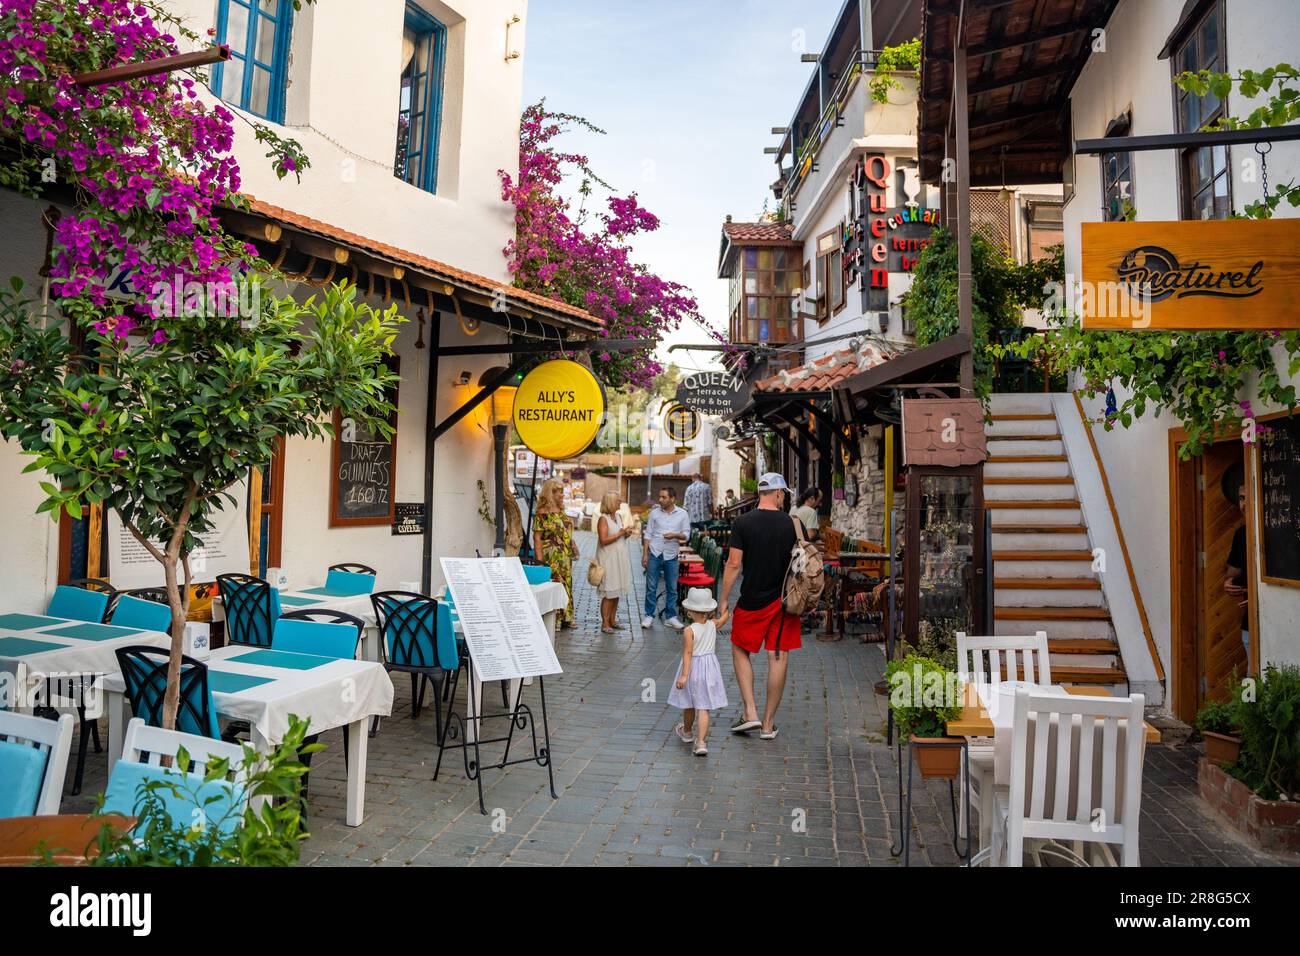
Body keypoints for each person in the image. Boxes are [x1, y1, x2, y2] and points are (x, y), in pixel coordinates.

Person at [718, 472, 805, 740]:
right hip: (784, 602)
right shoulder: (794, 523)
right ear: (779, 494)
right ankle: (767, 725)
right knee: (777, 657)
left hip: (751, 600)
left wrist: (723, 599)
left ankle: (750, 712)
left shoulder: (743, 522)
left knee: (739, 648)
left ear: (760, 493)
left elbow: (733, 565)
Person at [669, 587, 731, 756]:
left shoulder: (689, 630)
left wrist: (684, 675)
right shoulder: (713, 625)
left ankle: (687, 732)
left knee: (689, 703)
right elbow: (724, 618)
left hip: (693, 668)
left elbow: (688, 653)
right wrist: (726, 610)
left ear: (690, 611)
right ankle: (701, 742)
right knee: (704, 707)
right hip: (710, 667)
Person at [642, 486, 692, 630]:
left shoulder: (682, 514)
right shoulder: (654, 513)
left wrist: (675, 535)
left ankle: (671, 617)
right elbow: (648, 534)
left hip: (672, 555)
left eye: (664, 497)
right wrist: (645, 554)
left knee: (672, 587)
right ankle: (649, 615)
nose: (660, 499)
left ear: (672, 499)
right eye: (660, 496)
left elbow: (687, 534)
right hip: (655, 552)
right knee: (651, 586)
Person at [533, 478, 578, 629]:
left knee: (566, 584)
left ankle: (567, 616)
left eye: (562, 492)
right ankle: (555, 619)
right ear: (550, 493)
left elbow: (565, 531)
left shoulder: (561, 510)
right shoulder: (542, 513)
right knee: (555, 584)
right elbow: (537, 538)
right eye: (559, 492)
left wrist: (572, 544)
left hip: (565, 555)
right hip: (550, 555)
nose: (562, 495)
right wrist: (540, 562)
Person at [1223, 464, 1251, 672]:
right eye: (1241, 498)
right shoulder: (1241, 535)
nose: (1244, 504)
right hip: (1249, 623)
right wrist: (1229, 584)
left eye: (1248, 497)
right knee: (1253, 676)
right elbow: (1232, 575)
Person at [596, 491, 636, 634]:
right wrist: (620, 533)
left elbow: (618, 538)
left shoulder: (618, 517)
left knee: (616, 591)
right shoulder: (603, 519)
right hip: (608, 560)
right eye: (618, 501)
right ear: (610, 502)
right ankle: (605, 623)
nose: (620, 503)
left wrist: (625, 535)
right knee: (609, 592)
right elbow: (603, 540)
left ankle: (613, 620)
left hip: (619, 558)